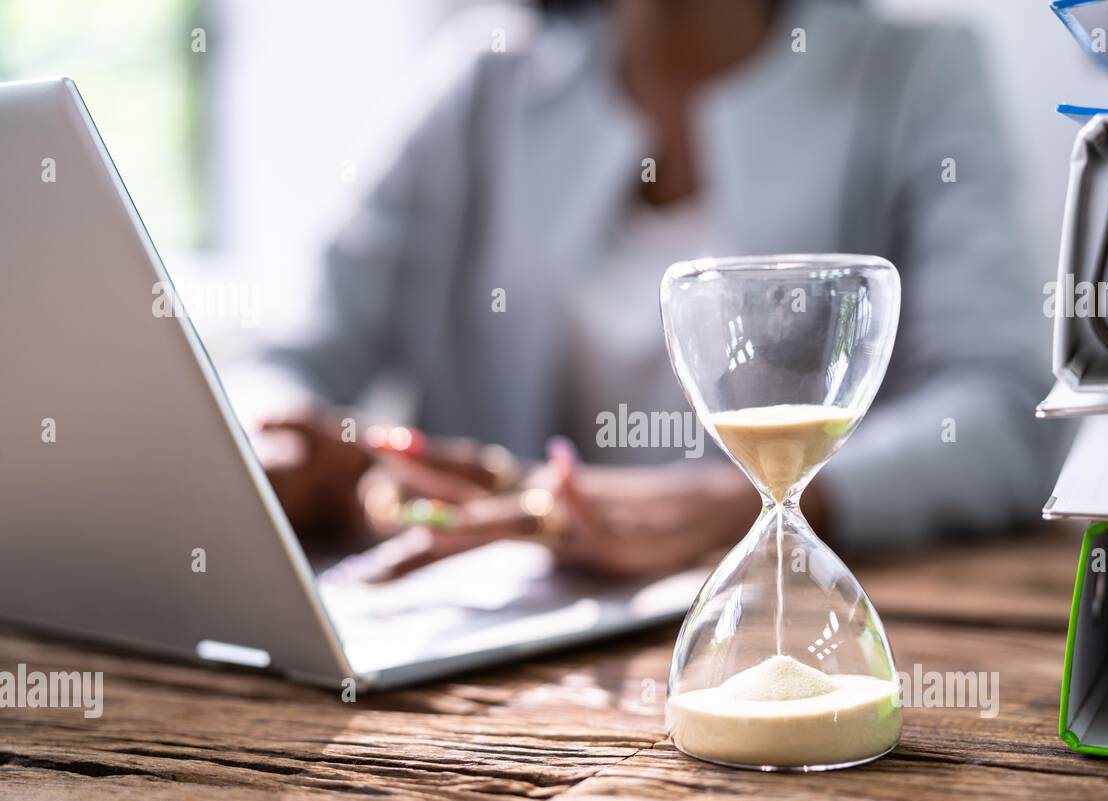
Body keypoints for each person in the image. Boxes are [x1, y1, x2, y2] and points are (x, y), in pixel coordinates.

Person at [247, 0, 1057, 580]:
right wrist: (294, 453)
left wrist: (726, 505)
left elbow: (1000, 410)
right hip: (484, 623)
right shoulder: (483, 78)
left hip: (787, 593)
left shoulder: (915, 75)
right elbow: (286, 359)